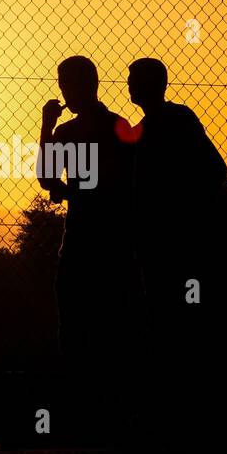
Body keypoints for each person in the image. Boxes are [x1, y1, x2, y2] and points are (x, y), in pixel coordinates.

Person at [125, 57, 227, 359]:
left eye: (134, 79)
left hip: (172, 240)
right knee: (179, 310)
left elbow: (214, 170)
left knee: (171, 312)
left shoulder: (168, 122)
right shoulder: (162, 123)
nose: (129, 85)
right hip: (170, 238)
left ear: (150, 84)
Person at [37, 55, 136, 366]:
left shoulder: (70, 132)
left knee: (76, 323)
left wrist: (47, 127)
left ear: (85, 85)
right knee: (110, 323)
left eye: (66, 85)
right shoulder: (117, 125)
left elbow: (48, 177)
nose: (64, 92)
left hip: (86, 240)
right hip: (114, 240)